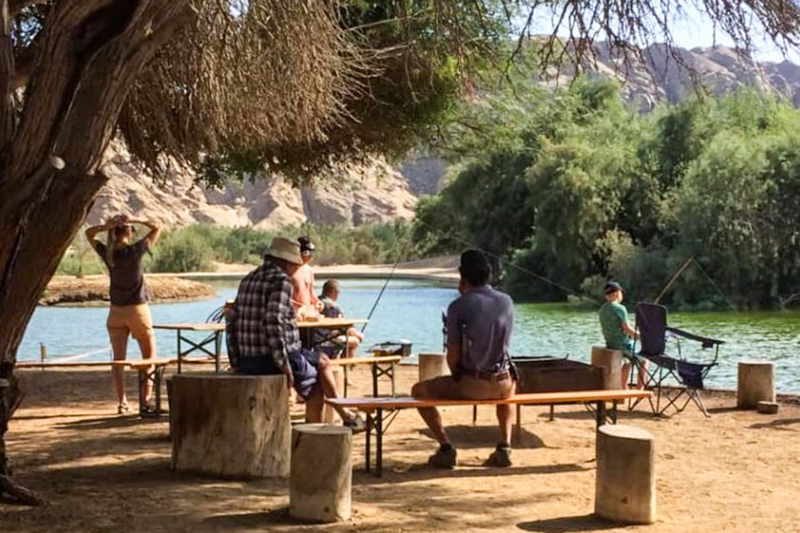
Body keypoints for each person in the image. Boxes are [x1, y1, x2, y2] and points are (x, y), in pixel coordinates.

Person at [225, 237, 364, 430]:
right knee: (316, 385)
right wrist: (284, 366)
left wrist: (236, 361)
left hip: (249, 357)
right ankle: (315, 433)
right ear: (286, 263)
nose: (294, 269)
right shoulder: (281, 281)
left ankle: (345, 413)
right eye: (294, 264)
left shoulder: (248, 279)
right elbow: (273, 324)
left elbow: (231, 320)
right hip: (273, 357)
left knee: (322, 360)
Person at [412, 249, 516, 468]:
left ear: (463, 276)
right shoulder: (507, 301)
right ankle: (505, 445)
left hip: (473, 384)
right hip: (504, 383)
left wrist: (457, 375)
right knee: (509, 393)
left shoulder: (458, 307)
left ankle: (446, 448)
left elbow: (453, 354)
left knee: (418, 391)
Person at [85, 214, 161, 414]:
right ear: (129, 232)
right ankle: (145, 401)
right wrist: (136, 219)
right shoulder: (136, 251)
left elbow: (88, 233)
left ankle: (122, 402)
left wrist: (105, 226)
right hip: (138, 310)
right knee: (149, 357)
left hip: (116, 312)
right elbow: (157, 227)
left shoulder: (108, 253)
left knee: (118, 360)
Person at [599, 281, 646, 389]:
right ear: (616, 294)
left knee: (629, 361)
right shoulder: (620, 308)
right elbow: (628, 330)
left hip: (611, 344)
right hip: (622, 346)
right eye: (620, 292)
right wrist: (642, 337)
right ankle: (641, 390)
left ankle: (623, 387)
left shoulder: (602, 310)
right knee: (644, 361)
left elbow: (618, 328)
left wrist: (633, 334)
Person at [317, 279, 365, 358]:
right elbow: (345, 327)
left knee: (349, 339)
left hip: (315, 340)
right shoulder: (334, 307)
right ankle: (346, 366)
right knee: (355, 341)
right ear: (335, 292)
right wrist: (359, 335)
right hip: (326, 340)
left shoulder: (316, 303)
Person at [291, 236, 323, 320]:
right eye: (306, 253)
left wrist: (317, 302)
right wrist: (297, 308)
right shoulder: (289, 270)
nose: (309, 257)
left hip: (307, 314)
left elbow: (310, 292)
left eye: (312, 254)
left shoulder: (309, 271)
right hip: (294, 314)